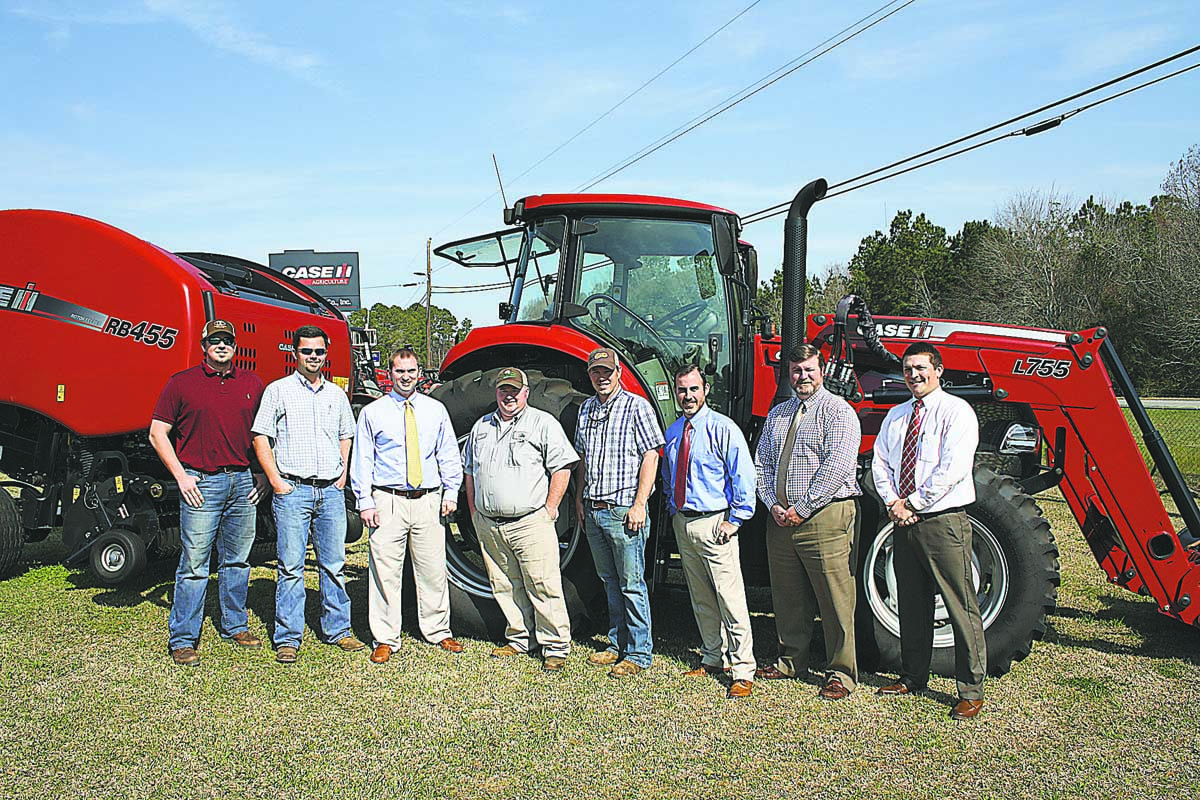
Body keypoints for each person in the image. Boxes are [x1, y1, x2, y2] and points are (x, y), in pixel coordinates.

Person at [872, 342, 986, 721]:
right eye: (907, 369)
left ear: (938, 370)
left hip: (942, 521)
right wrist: (893, 503)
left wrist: (912, 503)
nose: (913, 375)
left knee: (960, 604)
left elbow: (952, 469)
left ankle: (970, 689)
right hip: (902, 521)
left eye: (920, 368)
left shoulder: (957, 413)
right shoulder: (897, 416)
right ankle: (913, 676)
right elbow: (880, 463)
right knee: (912, 603)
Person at [149, 319, 267, 667]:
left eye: (227, 340)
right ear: (204, 345)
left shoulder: (252, 383)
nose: (221, 345)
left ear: (235, 346)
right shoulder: (181, 383)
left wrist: (259, 472)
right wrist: (181, 477)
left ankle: (235, 625)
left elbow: (261, 433)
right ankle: (183, 638)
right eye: (214, 340)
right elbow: (158, 433)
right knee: (194, 565)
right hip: (201, 483)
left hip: (243, 483)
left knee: (238, 560)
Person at [754, 343, 862, 700]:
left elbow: (837, 466)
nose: (803, 377)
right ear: (789, 374)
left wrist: (803, 507)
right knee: (788, 596)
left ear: (822, 371)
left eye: (809, 370)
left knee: (834, 597)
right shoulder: (779, 414)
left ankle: (841, 672)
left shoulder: (838, 412)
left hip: (824, 516)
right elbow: (763, 465)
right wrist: (772, 504)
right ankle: (790, 660)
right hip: (781, 518)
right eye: (797, 371)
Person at [252, 324, 364, 664]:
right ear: (294, 353)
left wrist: (342, 476)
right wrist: (275, 481)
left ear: (325, 354)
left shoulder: (336, 395)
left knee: (333, 564)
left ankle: (339, 630)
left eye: (318, 351)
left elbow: (347, 435)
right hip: (293, 490)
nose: (313, 357)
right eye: (306, 351)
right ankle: (288, 637)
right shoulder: (278, 391)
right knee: (290, 567)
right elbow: (261, 437)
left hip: (330, 492)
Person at [350, 347, 465, 664]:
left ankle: (438, 630)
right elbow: (362, 460)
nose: (406, 376)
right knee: (385, 572)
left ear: (419, 373)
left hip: (428, 500)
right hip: (388, 501)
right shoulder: (374, 413)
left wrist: (451, 491)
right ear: (390, 374)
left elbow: (447, 454)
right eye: (400, 371)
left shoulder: (435, 410)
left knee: (432, 570)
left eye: (411, 370)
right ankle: (385, 637)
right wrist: (364, 501)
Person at [462, 367, 578, 672]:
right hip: (489, 522)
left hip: (530, 521)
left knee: (543, 584)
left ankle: (555, 645)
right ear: (496, 393)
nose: (509, 395)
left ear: (526, 392)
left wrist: (550, 508)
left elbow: (562, 468)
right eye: (503, 390)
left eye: (515, 390)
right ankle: (520, 638)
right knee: (505, 584)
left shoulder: (543, 423)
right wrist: (474, 512)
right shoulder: (481, 427)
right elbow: (470, 472)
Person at [662, 364, 757, 699]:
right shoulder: (674, 431)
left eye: (693, 389)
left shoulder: (723, 429)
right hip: (684, 523)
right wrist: (674, 512)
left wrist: (736, 520)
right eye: (682, 390)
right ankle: (713, 656)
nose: (688, 396)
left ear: (705, 390)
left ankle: (743, 668)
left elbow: (743, 476)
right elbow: (667, 476)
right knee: (701, 596)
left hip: (716, 523)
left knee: (730, 598)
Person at [573, 348, 664, 678]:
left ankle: (639, 652)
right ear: (590, 375)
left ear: (618, 372)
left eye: (607, 371)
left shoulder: (637, 407)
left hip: (623, 511)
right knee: (610, 580)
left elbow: (651, 456)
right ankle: (616, 643)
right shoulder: (586, 410)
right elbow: (582, 458)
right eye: (596, 372)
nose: (603, 377)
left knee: (631, 583)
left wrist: (640, 504)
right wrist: (581, 500)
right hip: (595, 510)